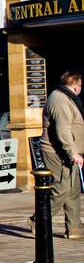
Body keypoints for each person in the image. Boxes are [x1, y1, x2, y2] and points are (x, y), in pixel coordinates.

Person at [40, 71, 84, 239]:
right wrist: (73, 152)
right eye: (79, 86)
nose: (80, 89)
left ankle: (74, 229)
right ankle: (39, 220)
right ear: (75, 86)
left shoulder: (68, 98)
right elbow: (63, 130)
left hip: (67, 152)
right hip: (56, 152)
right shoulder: (59, 100)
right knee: (61, 190)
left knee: (73, 191)